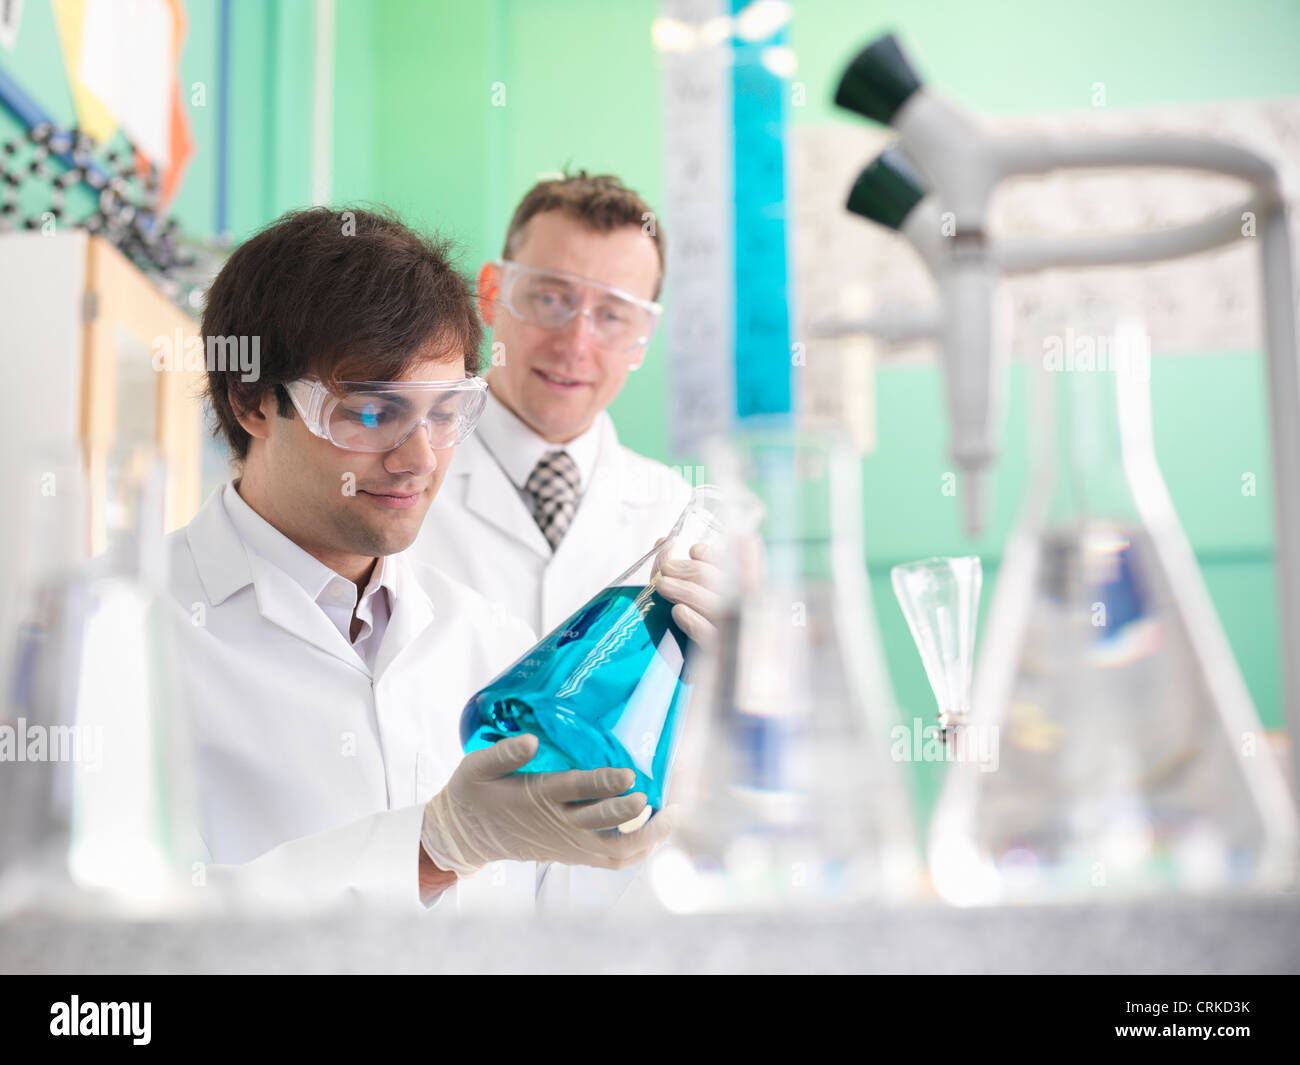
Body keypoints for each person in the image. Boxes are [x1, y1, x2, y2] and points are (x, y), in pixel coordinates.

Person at [165, 206, 690, 914]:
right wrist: (432, 847)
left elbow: (574, 919)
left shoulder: (491, 644)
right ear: (253, 400)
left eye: (445, 413)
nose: (419, 460)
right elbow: (83, 943)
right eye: (373, 411)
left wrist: (690, 727)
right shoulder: (131, 632)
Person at [409, 174, 721, 910]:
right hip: (436, 932)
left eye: (614, 314)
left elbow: (752, 777)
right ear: (492, 293)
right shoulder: (396, 479)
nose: (576, 340)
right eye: (550, 296)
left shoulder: (691, 517)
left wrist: (744, 674)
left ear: (643, 337)